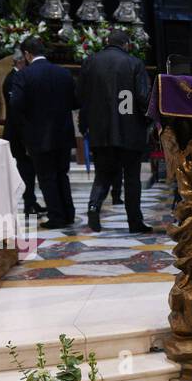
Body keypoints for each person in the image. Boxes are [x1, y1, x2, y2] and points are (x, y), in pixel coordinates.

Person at [77, 28, 151, 233]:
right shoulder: (134, 63)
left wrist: (86, 123)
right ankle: (135, 222)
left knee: (102, 174)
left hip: (100, 129)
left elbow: (80, 96)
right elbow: (143, 97)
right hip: (130, 129)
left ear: (107, 42)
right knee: (132, 178)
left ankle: (93, 207)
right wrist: (148, 120)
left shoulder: (90, 62)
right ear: (126, 45)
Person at [7, 36, 78, 228]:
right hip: (63, 132)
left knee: (47, 177)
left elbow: (16, 104)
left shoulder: (24, 75)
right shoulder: (63, 73)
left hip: (38, 133)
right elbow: (75, 102)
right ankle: (69, 214)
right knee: (62, 174)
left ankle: (56, 217)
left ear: (27, 54)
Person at [1, 48, 41, 215]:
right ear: (20, 61)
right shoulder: (13, 79)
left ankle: (31, 201)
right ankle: (28, 203)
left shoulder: (20, 77)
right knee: (26, 168)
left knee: (30, 168)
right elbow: (16, 109)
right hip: (18, 132)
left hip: (24, 131)